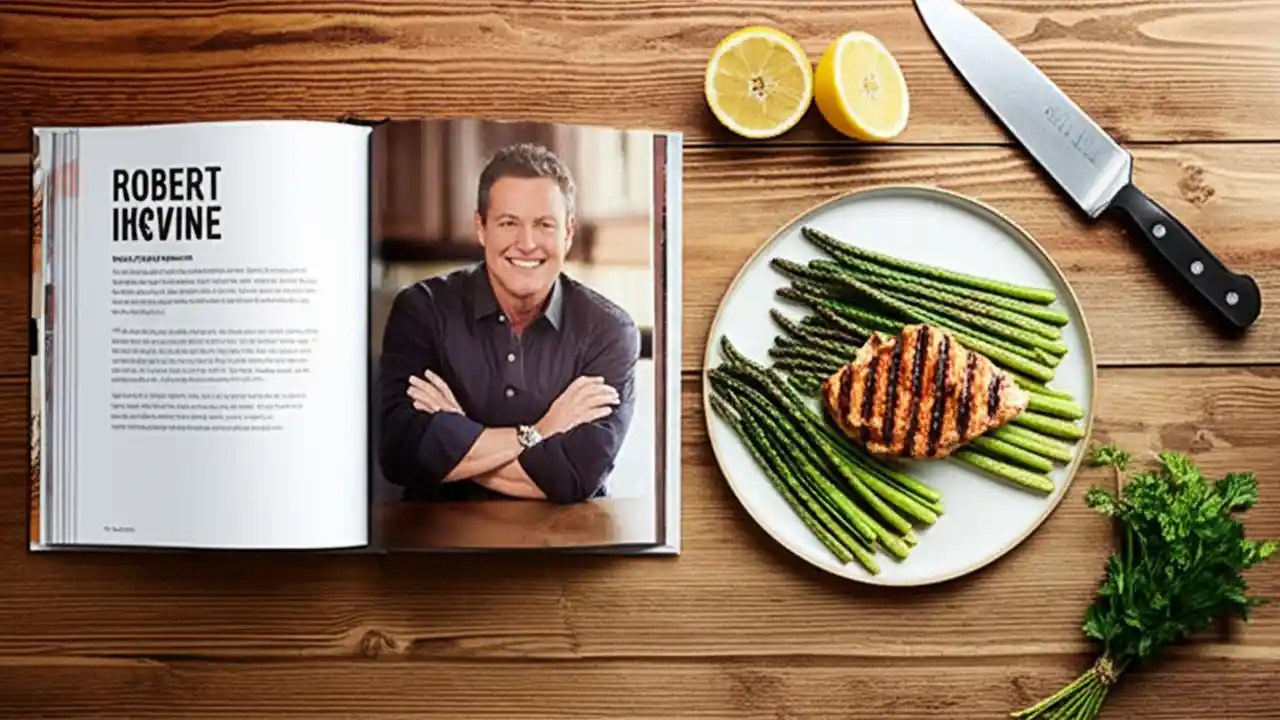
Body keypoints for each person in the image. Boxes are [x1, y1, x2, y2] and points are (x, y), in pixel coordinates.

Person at [377, 142, 640, 504]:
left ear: (568, 233)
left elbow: (575, 477)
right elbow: (401, 456)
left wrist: (457, 440)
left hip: (567, 548)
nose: (526, 243)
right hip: (439, 547)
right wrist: (540, 431)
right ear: (481, 228)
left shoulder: (608, 331)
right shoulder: (422, 311)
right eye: (508, 223)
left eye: (544, 225)